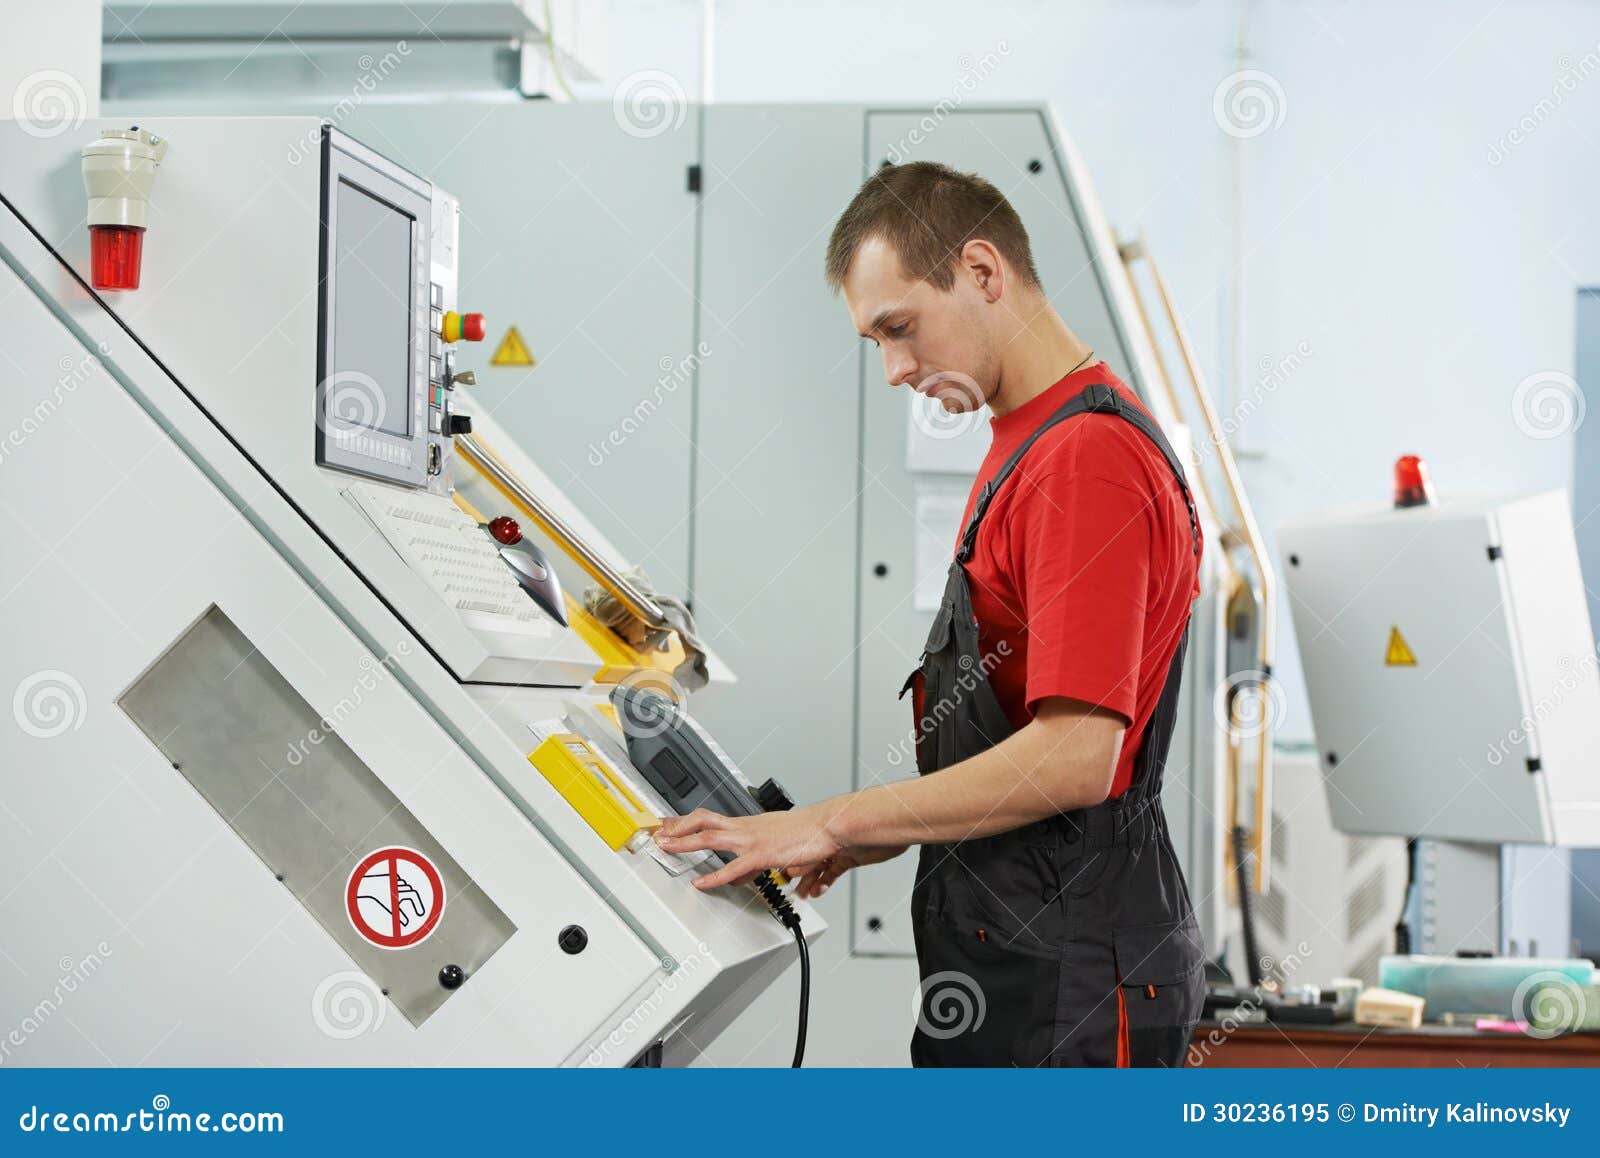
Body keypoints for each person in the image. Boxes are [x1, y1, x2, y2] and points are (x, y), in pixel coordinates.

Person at [654, 161, 1206, 1067]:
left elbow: (1076, 758)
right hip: (1017, 956)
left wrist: (838, 821)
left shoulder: (1086, 462)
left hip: (1067, 982)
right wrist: (876, 835)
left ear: (983, 273)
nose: (896, 369)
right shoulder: (1024, 439)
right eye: (875, 341)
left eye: (900, 328)